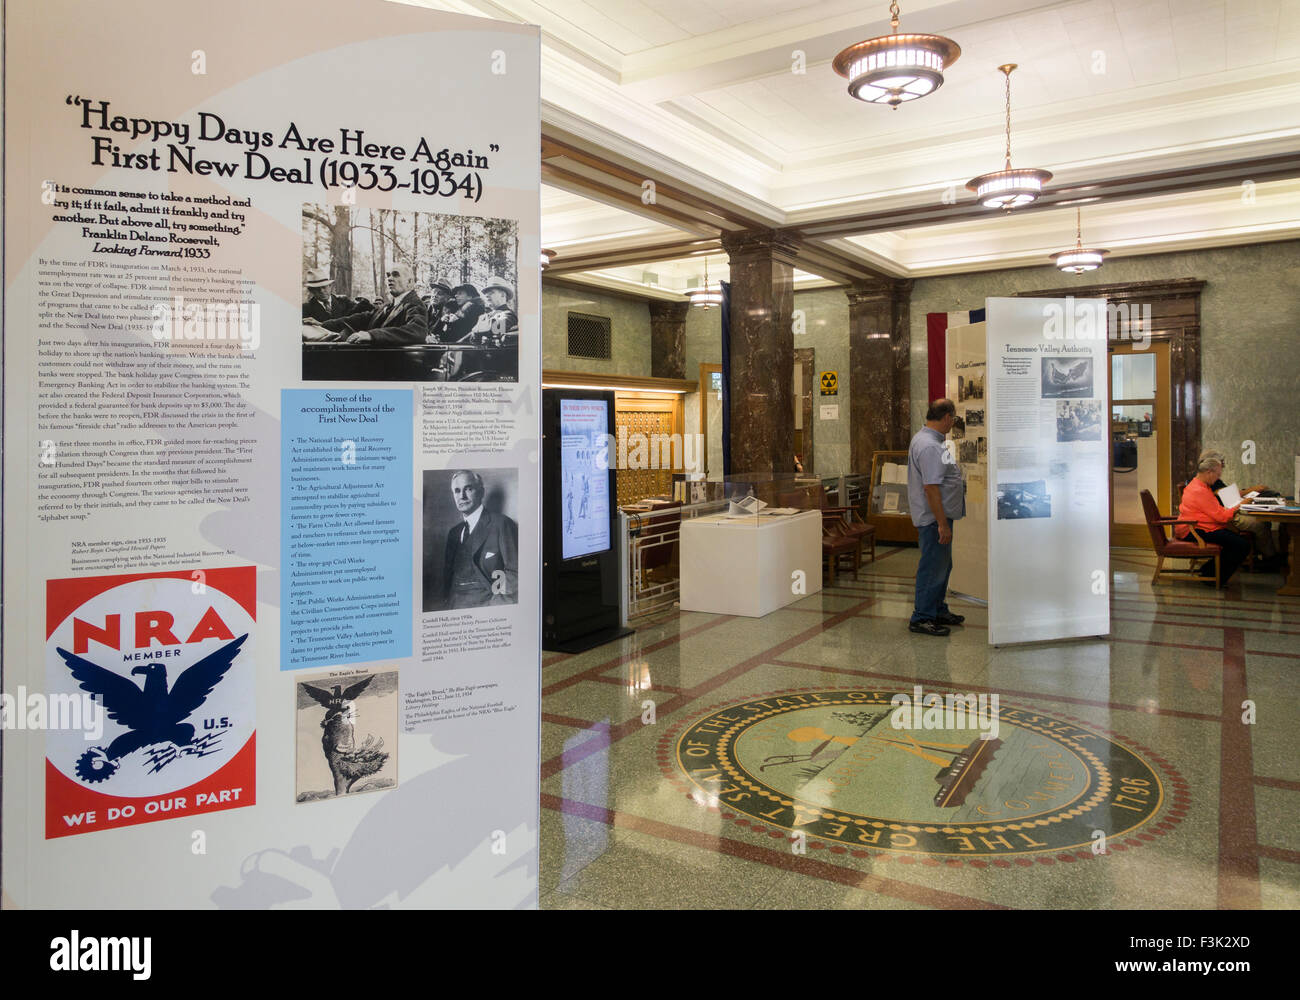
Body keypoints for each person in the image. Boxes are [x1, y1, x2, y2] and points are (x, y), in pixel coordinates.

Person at [907, 399, 965, 636]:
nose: (952, 424)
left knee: (942, 565)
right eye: (953, 419)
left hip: (937, 517)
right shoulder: (930, 446)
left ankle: (937, 609)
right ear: (947, 418)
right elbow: (930, 488)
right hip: (934, 520)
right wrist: (942, 524)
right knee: (933, 567)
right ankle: (922, 617)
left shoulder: (926, 439)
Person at [439, 471, 518, 609]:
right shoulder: (454, 533)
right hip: (453, 610)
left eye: (468, 489)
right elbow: (448, 579)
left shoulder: (501, 524)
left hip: (486, 608)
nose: (462, 496)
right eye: (457, 491)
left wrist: (494, 606)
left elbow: (515, 573)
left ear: (481, 492)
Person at [1174, 453, 1252, 584]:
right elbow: (1222, 517)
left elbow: (1216, 511)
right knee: (1241, 545)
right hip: (1193, 530)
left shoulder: (1198, 484)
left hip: (1198, 526)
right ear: (1209, 472)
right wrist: (1240, 505)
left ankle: (1209, 571)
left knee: (1237, 542)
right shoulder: (1200, 490)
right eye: (1218, 475)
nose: (1218, 479)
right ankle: (1212, 577)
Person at [307, 263, 429, 346]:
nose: (390, 278)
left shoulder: (414, 304)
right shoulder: (388, 306)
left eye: (395, 274)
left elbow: (416, 331)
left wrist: (371, 335)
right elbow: (359, 318)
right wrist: (323, 324)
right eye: (388, 275)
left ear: (409, 281)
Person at [1199, 448, 1280, 569]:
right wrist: (1250, 491)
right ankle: (1270, 559)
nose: (1223, 465)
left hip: (1228, 511)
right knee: (1260, 524)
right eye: (1221, 462)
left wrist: (1249, 492)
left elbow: (1229, 494)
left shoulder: (1212, 478)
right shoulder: (1209, 481)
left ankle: (1264, 555)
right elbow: (1225, 496)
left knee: (1262, 521)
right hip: (1226, 516)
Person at [471, 277, 518, 345]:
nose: (487, 295)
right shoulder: (484, 316)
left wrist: (476, 329)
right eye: (486, 294)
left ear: (502, 295)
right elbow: (472, 339)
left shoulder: (508, 315)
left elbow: (495, 328)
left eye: (491, 292)